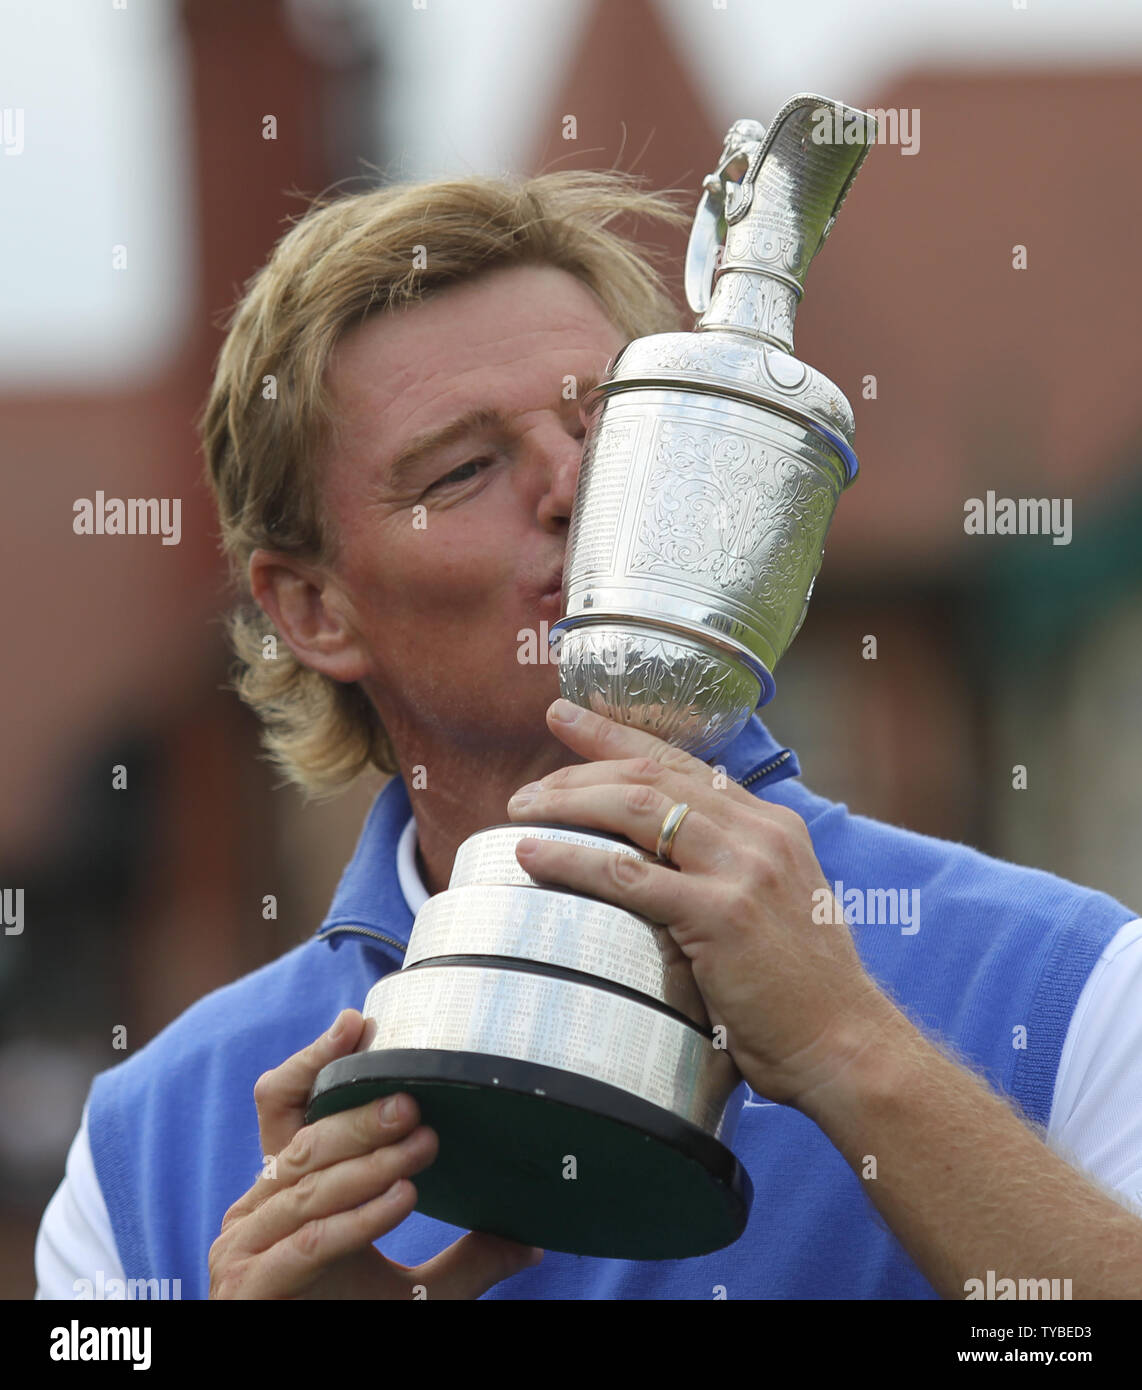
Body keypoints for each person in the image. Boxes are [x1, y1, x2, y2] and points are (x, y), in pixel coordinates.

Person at [35, 171, 1142, 1300]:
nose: (576, 484)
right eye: (462, 468)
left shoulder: (1063, 987)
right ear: (313, 609)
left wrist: (850, 1054)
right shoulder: (148, 1149)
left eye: (611, 419)